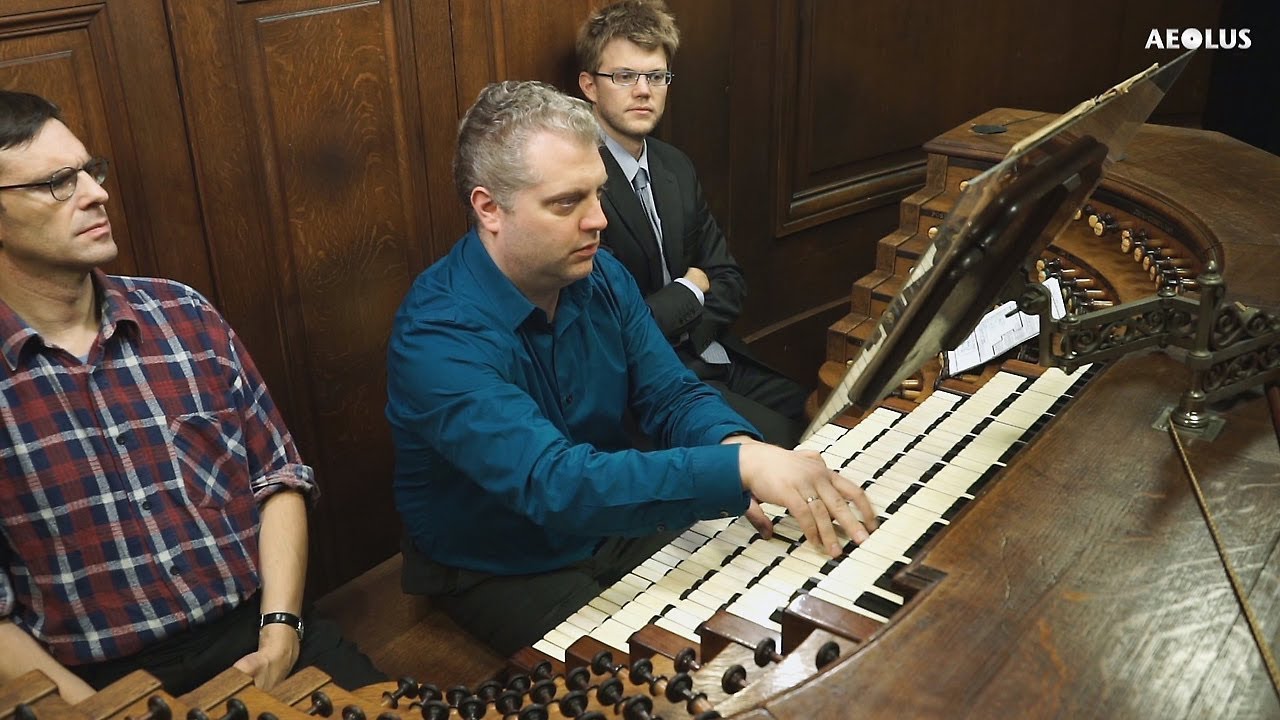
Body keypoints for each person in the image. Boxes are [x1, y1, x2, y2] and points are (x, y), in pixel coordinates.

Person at [387, 80, 876, 657]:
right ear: (489, 208)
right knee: (665, 680)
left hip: (609, 521)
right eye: (568, 202)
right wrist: (736, 468)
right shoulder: (436, 334)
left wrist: (734, 444)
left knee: (784, 593)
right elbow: (557, 484)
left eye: (598, 193)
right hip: (501, 564)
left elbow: (671, 394)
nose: (598, 220)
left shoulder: (601, 274)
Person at [0, 90, 384, 701]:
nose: (96, 194)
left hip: (261, 627)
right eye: (56, 183)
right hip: (97, 681)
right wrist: (97, 711)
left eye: (88, 171)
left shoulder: (183, 314)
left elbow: (278, 477)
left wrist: (281, 628)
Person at [577, 0, 810, 447]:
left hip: (713, 352)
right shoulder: (583, 178)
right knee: (793, 448)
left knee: (826, 414)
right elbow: (617, 331)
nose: (643, 91)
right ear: (589, 85)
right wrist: (690, 289)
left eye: (656, 76)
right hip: (650, 388)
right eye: (624, 77)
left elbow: (729, 278)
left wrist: (685, 319)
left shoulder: (674, 165)